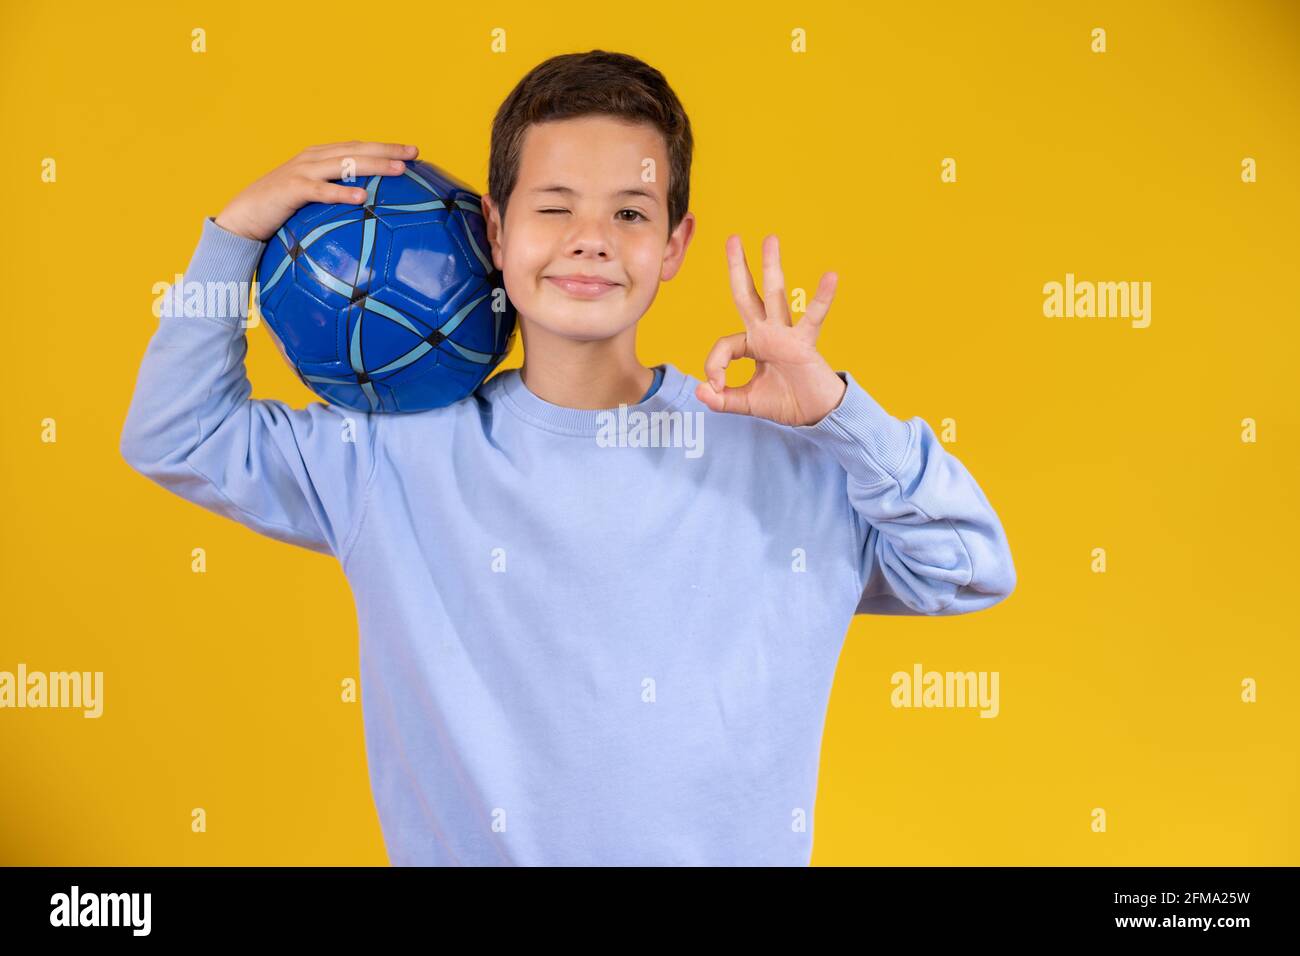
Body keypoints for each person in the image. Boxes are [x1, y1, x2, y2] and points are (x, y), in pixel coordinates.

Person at [120, 49, 1016, 866]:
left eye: (629, 212)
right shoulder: (391, 457)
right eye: (555, 207)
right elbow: (176, 432)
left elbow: (971, 568)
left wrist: (835, 412)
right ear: (495, 230)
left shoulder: (797, 457)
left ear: (673, 246)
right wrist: (235, 231)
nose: (591, 237)